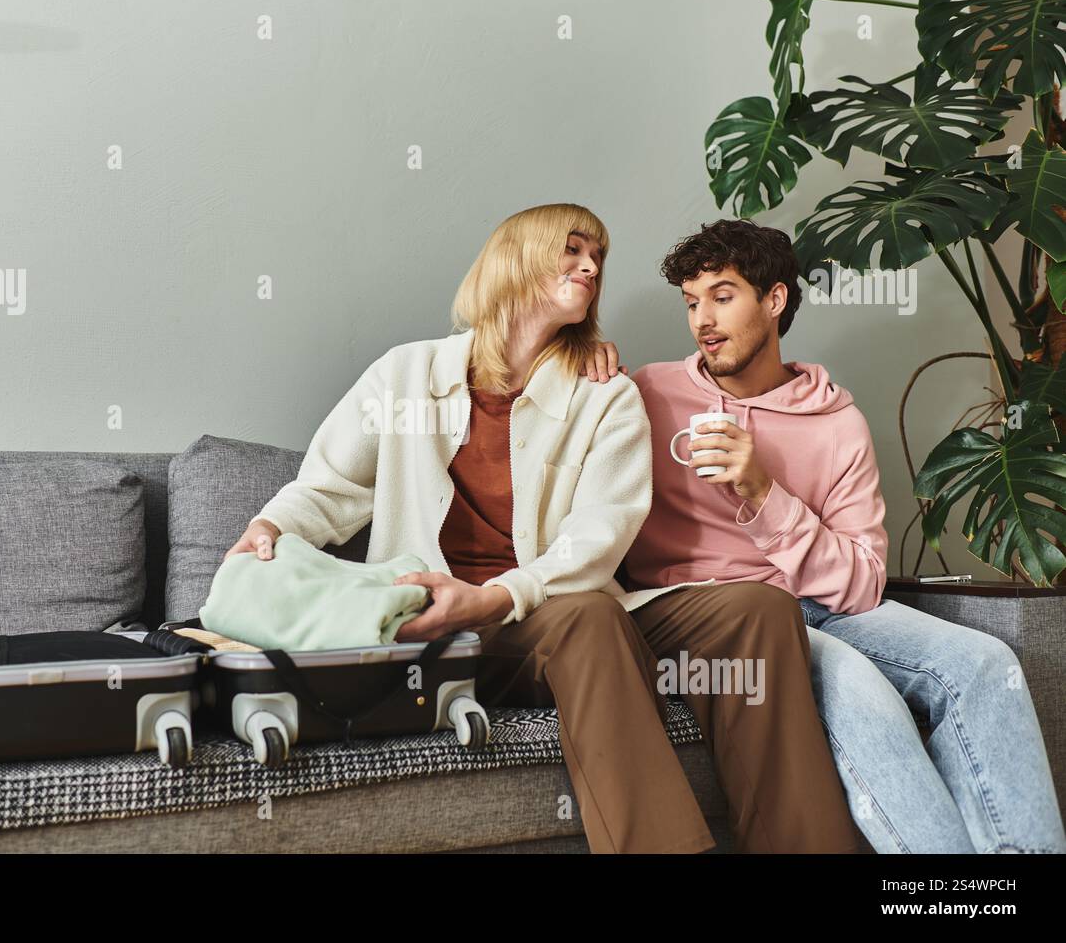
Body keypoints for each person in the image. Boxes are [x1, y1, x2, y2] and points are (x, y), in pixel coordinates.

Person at [224, 203, 861, 853]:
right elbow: (330, 487)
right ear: (514, 259)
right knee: (588, 619)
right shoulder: (407, 377)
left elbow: (599, 536)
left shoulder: (602, 395)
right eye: (574, 249)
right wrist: (271, 525)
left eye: (599, 257)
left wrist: (500, 595)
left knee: (759, 609)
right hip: (448, 630)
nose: (591, 265)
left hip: (545, 610)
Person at [610, 217, 1066, 853]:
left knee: (988, 666)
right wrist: (585, 353)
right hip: (741, 627)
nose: (702, 321)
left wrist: (764, 494)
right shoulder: (649, 393)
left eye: (722, 295)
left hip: (830, 609)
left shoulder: (835, 421)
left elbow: (862, 583)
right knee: (866, 700)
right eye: (692, 302)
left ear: (774, 300)